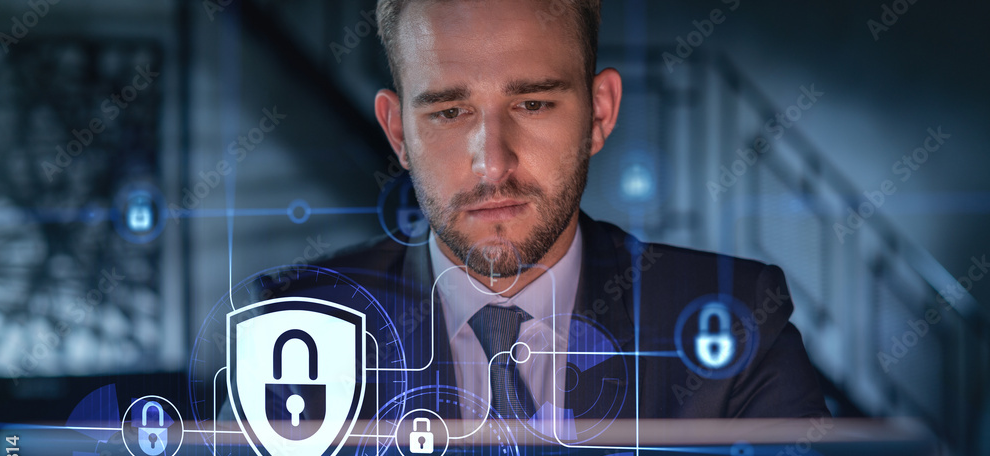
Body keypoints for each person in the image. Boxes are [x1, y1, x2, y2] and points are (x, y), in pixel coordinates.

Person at [328, 0, 829, 425]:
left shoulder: (739, 324)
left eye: (533, 104)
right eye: (448, 112)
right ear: (398, 133)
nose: (493, 164)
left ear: (600, 112)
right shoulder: (297, 326)